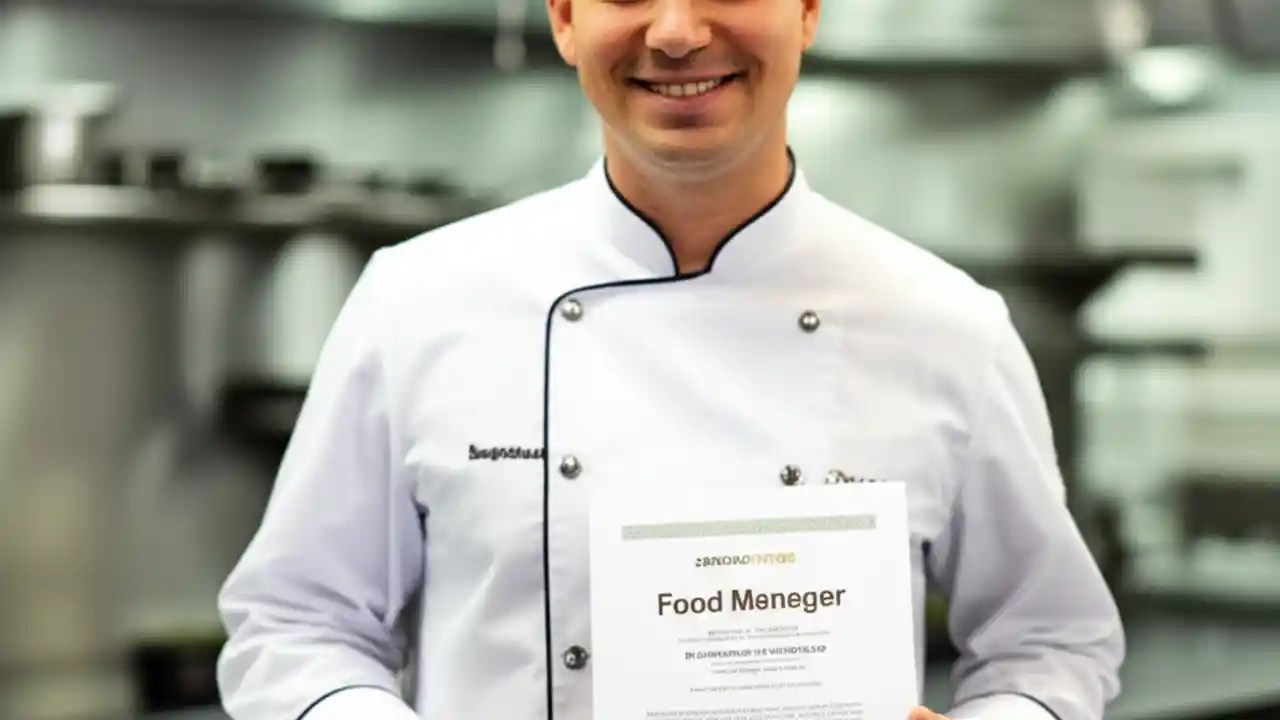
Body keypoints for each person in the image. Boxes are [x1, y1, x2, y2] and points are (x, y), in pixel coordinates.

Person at [215, 1, 1125, 719]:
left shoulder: (947, 325)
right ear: (564, 17)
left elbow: (1051, 643)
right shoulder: (418, 298)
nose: (678, 31)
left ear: (809, 10)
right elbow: (296, 626)